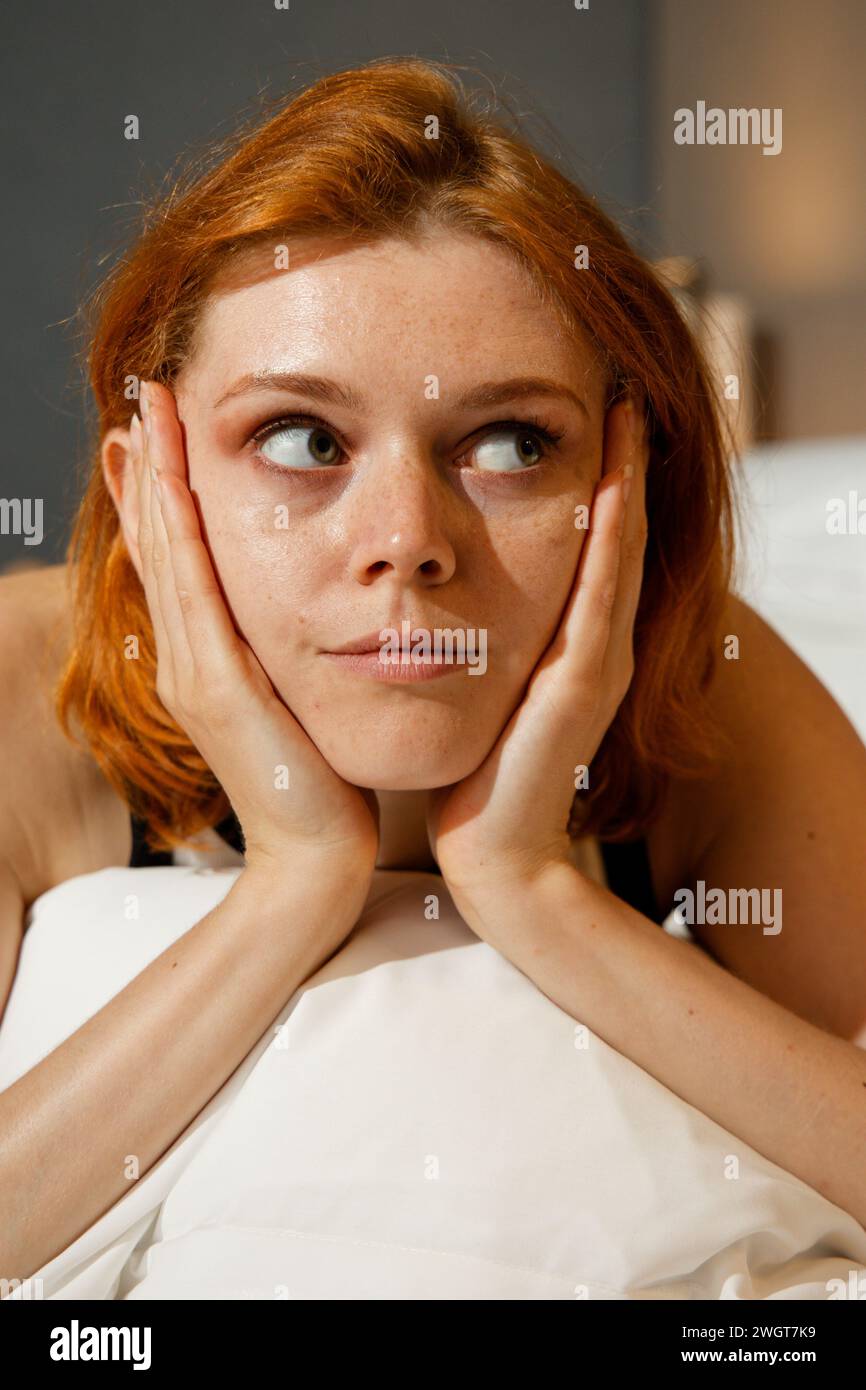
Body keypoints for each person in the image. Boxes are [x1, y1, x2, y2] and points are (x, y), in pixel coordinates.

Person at [1, 57, 864, 1289]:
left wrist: (529, 887)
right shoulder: (28, 687)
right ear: (153, 483)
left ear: (623, 484)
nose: (407, 536)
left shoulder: (698, 677)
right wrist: (294, 881)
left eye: (510, 443)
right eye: (301, 440)